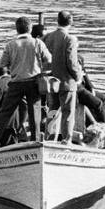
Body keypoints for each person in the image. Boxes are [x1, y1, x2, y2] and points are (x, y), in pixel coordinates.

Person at [0, 16, 53, 149]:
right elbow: (49, 59)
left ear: (17, 30)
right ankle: (35, 142)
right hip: (33, 82)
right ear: (30, 29)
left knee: (5, 113)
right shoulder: (37, 43)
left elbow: (3, 63)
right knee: (35, 113)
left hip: (16, 83)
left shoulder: (11, 44)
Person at [42, 11, 83, 142]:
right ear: (70, 22)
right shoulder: (70, 39)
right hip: (66, 81)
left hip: (52, 82)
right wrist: (78, 76)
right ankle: (66, 140)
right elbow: (71, 62)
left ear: (57, 21)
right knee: (68, 113)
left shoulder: (48, 37)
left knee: (52, 111)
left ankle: (50, 138)